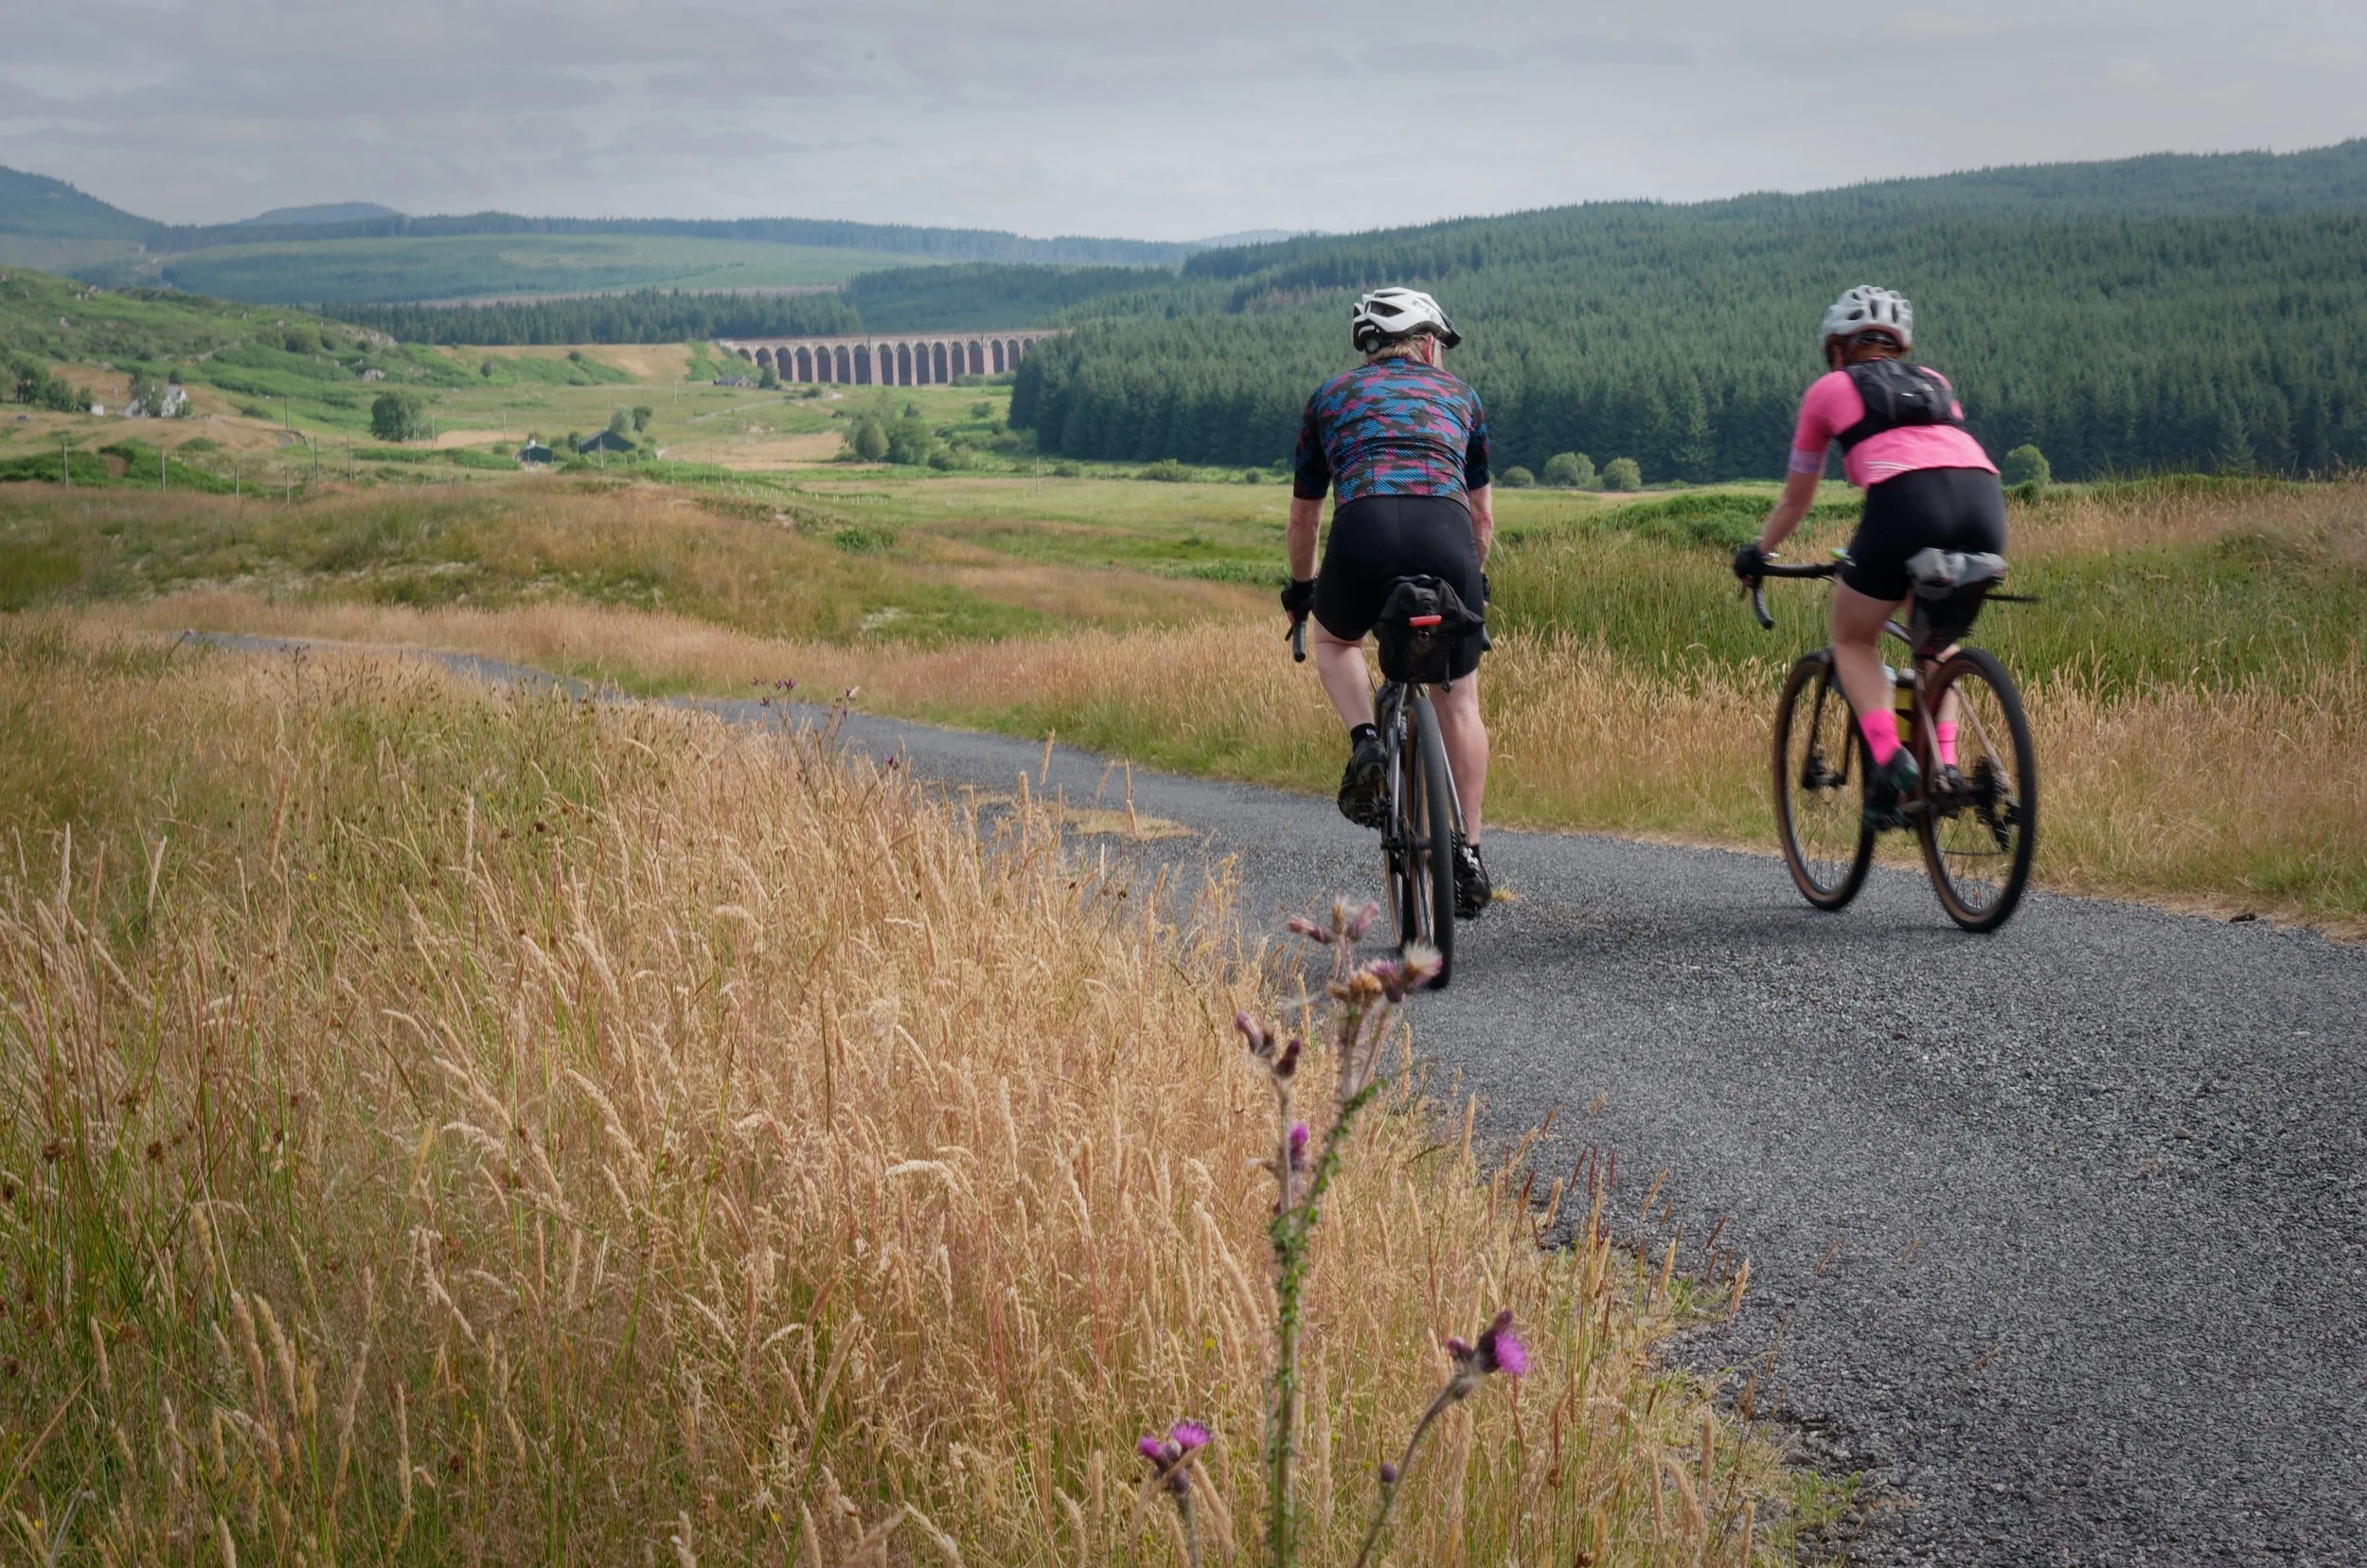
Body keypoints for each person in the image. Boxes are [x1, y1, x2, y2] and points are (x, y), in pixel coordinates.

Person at [1734, 285, 2006, 828]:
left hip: (1906, 506)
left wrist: (1758, 552)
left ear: (1838, 347)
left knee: (1853, 637)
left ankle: (1890, 760)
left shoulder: (1829, 388)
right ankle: (1945, 766)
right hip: (1984, 502)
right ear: (1898, 347)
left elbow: (1797, 498)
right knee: (1934, 644)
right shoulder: (1934, 382)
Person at [1281, 286, 1495, 918]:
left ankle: (1368, 740)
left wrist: (1302, 591)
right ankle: (1471, 852)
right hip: (1447, 535)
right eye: (1442, 349)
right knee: (1458, 699)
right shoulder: (1462, 398)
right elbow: (1481, 514)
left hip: (1363, 529)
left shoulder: (1329, 398)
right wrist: (1472, 583)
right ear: (1428, 343)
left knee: (1335, 642)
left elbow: (1303, 518)